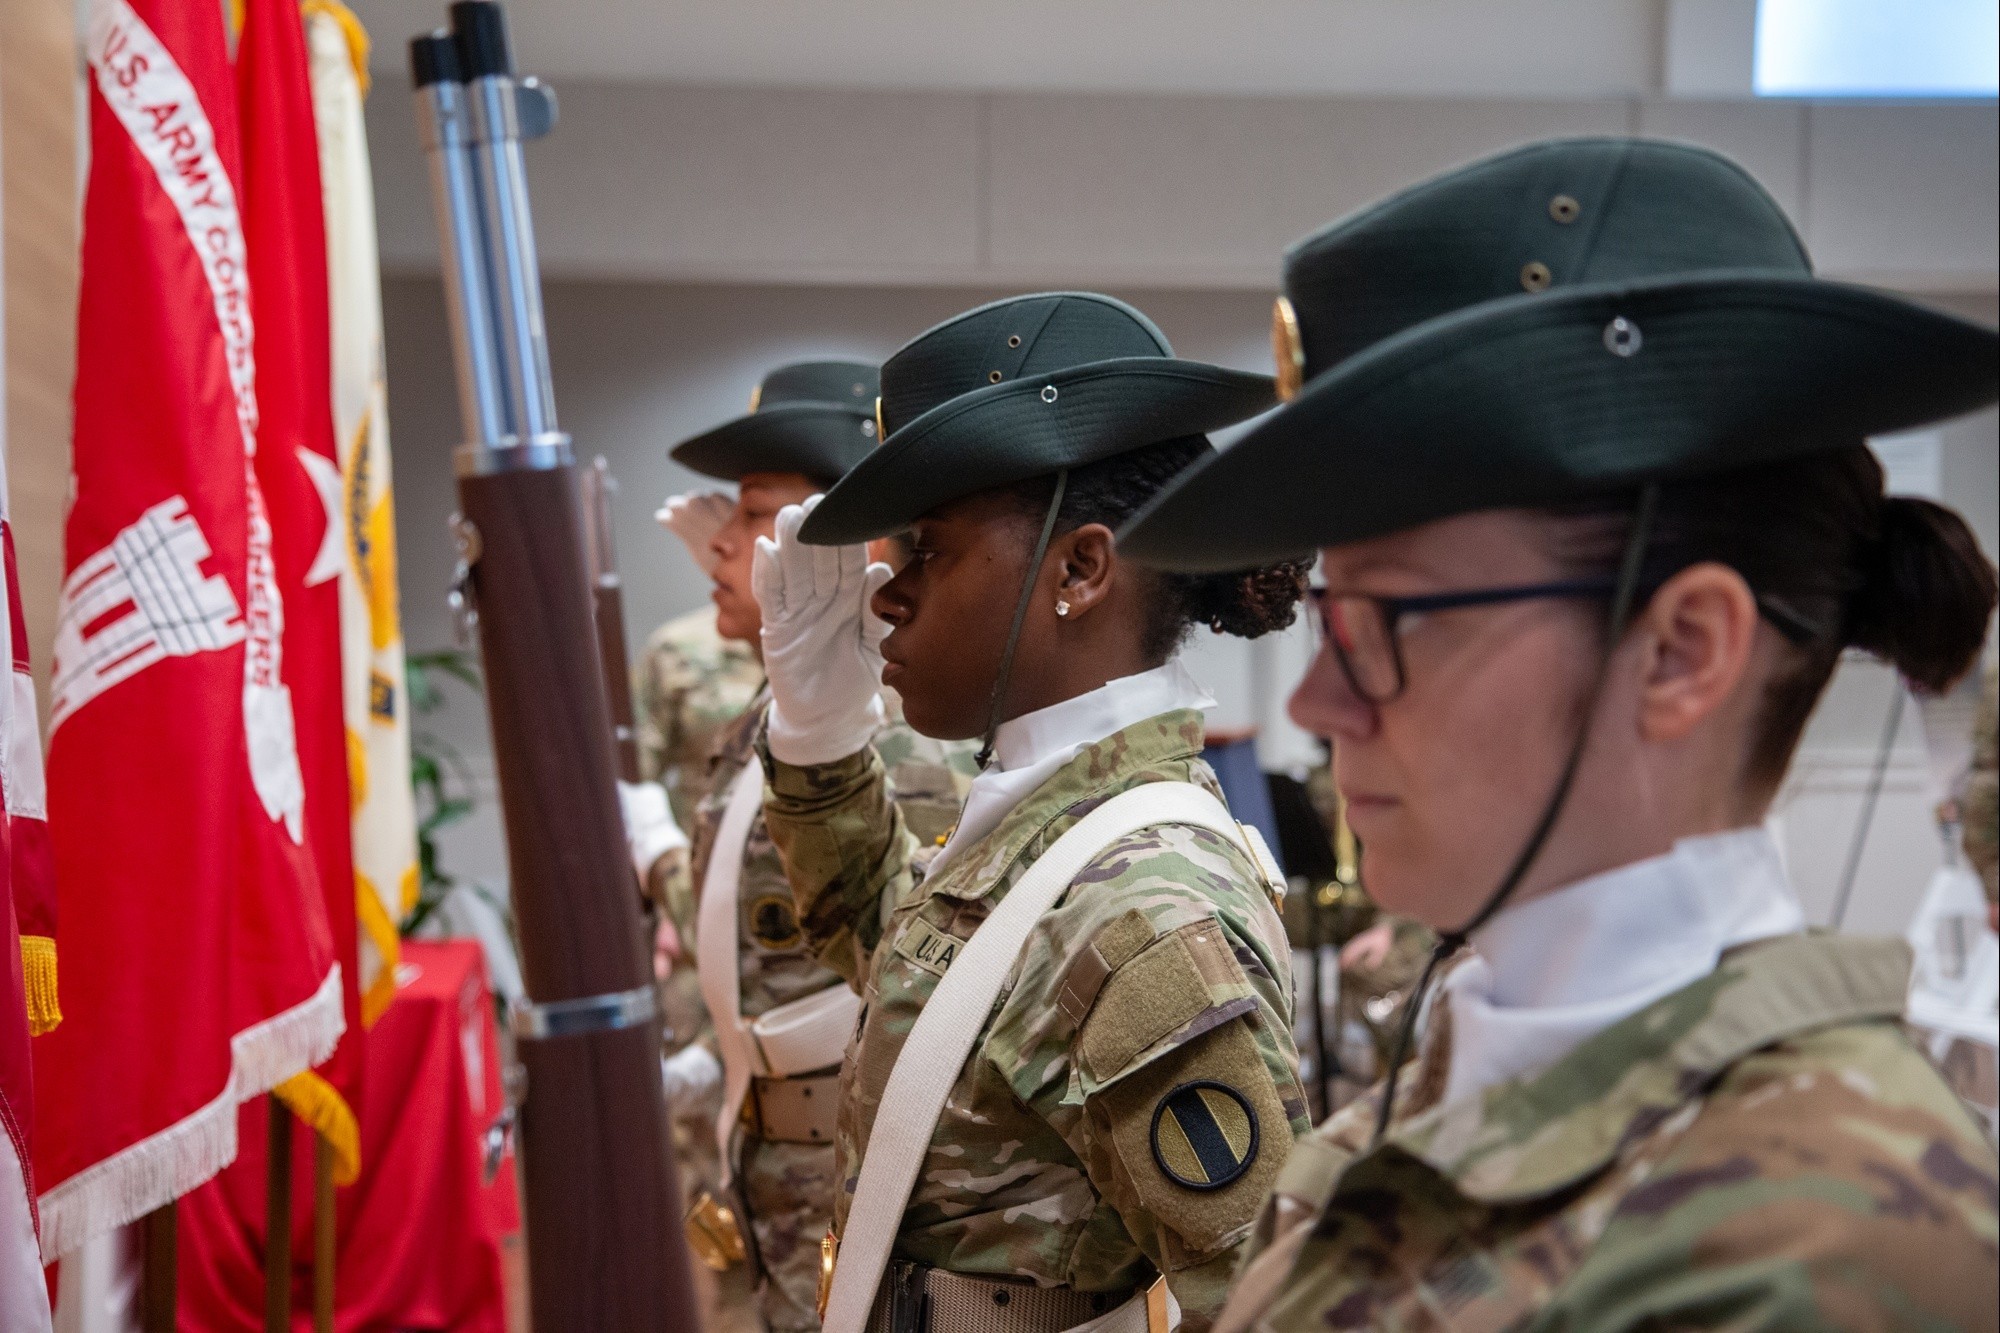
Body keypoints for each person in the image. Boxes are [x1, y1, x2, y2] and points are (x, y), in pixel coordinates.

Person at [1119, 136, 2000, 1330]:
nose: (1317, 708)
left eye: (1384, 623)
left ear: (1682, 651)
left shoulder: (1816, 1239)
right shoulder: (1453, 1079)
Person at [750, 292, 1315, 1333]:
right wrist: (818, 730)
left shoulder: (1142, 908)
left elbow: (1266, 1302)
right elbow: (909, 985)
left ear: (1079, 568)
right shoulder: (1046, 820)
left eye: (926, 547)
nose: (887, 591)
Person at [641, 360, 981, 1333]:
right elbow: (761, 928)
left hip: (839, 1159)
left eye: (753, 519)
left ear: (842, 541)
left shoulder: (892, 731)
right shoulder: (775, 714)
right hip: (762, 1145)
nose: (720, 544)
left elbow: (908, 967)